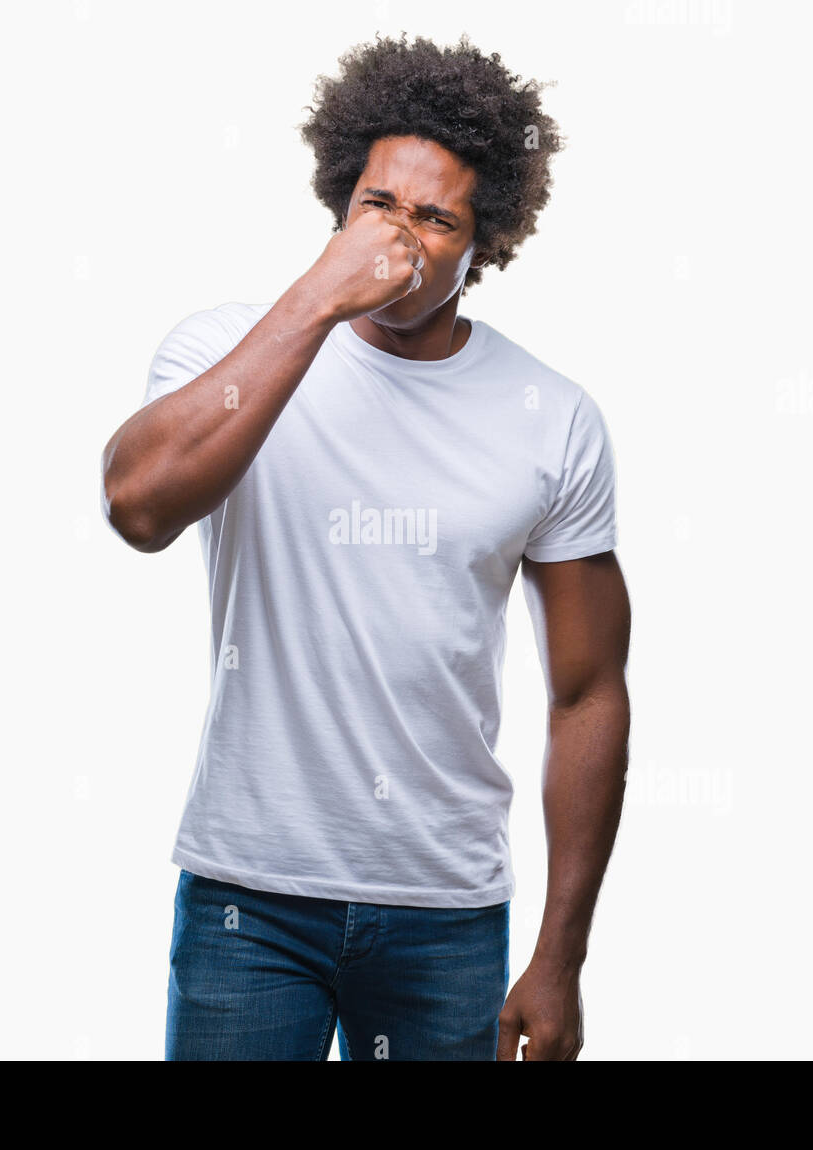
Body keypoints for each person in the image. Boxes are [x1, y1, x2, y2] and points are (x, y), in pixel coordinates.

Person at [101, 32, 631, 1061]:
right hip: (247, 900)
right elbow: (137, 507)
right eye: (378, 205)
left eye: (437, 219)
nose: (402, 236)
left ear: (486, 247)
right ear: (339, 204)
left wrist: (560, 956)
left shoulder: (550, 416)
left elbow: (588, 688)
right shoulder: (225, 350)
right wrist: (317, 302)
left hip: (443, 907)